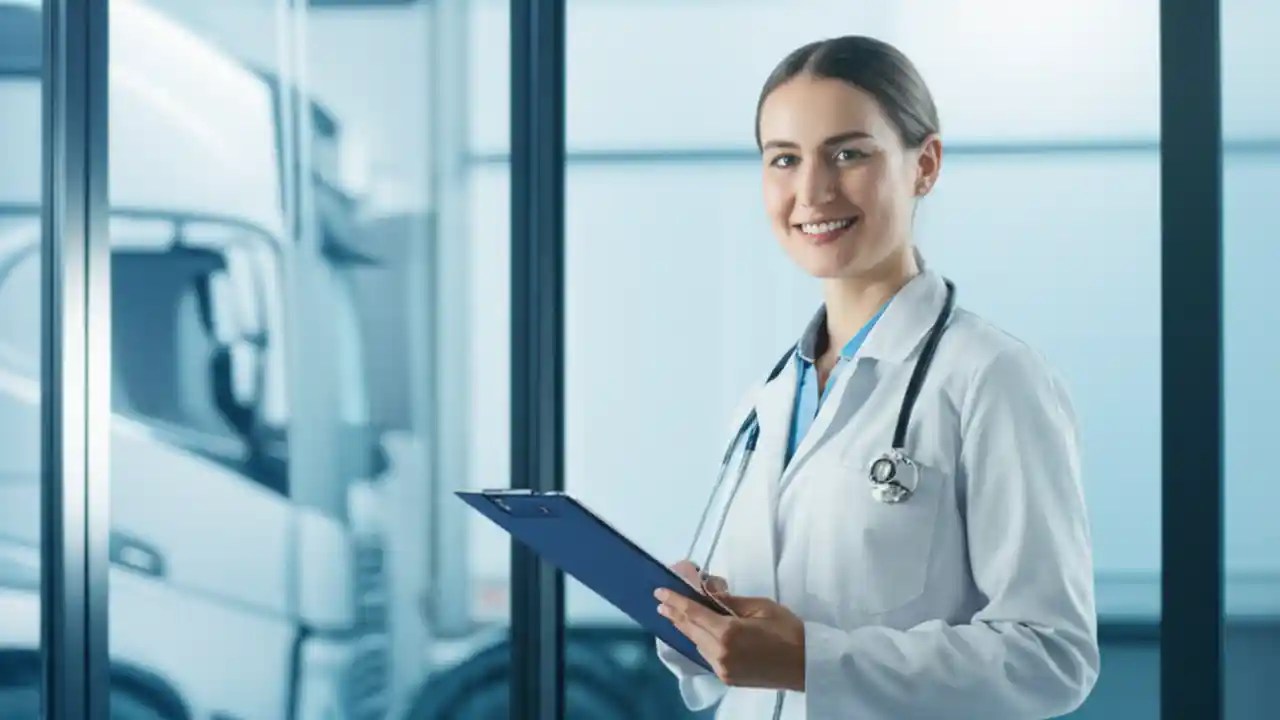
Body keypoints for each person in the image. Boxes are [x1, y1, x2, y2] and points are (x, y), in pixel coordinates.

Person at [651, 35, 1099, 719]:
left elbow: (1050, 657)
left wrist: (810, 661)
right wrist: (701, 623)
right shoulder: (768, 400)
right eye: (784, 159)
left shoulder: (992, 379)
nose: (812, 191)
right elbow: (758, 647)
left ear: (925, 165)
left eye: (848, 153)